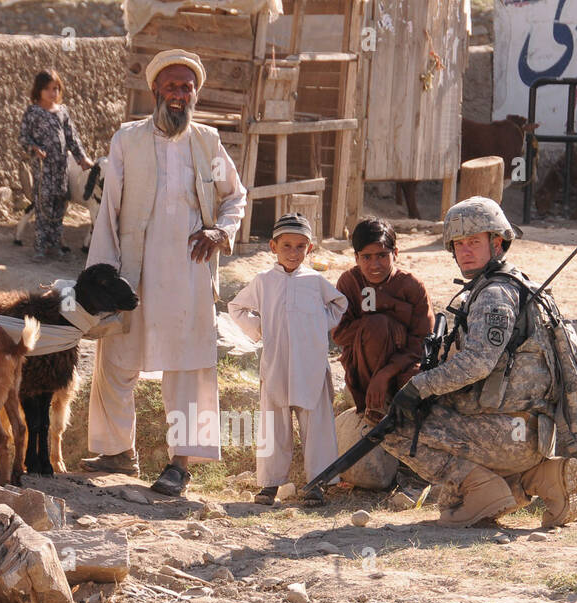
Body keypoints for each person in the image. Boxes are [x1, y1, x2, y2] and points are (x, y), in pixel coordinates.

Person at [80, 49, 248, 497]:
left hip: (190, 275)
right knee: (115, 355)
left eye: (187, 87)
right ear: (155, 89)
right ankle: (118, 451)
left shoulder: (208, 142)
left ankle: (180, 463)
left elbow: (236, 197)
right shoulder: (127, 140)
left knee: (188, 364)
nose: (180, 94)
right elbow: (109, 208)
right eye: (172, 86)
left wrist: (220, 231)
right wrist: (101, 274)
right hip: (133, 271)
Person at [380, 197, 577, 528]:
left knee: (394, 427)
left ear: (498, 242)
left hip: (510, 433)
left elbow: (477, 363)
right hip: (527, 432)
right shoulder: (517, 285)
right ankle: (542, 477)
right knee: (449, 505)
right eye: (458, 244)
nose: (465, 251)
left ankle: (485, 490)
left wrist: (418, 388)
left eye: (474, 242)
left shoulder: (494, 295)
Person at [228, 212, 347, 506]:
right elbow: (236, 307)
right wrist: (259, 329)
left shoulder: (315, 281)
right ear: (273, 247)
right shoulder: (263, 281)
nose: (293, 253)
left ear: (310, 249)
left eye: (300, 247)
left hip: (311, 365)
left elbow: (339, 304)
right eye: (287, 246)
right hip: (276, 363)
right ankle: (270, 485)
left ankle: (318, 483)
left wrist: (319, 324)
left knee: (317, 425)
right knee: (273, 424)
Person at [332, 218, 435, 423]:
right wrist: (382, 319)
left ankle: (389, 396)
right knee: (376, 325)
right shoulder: (349, 283)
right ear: (356, 258)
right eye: (366, 257)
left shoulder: (412, 286)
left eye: (382, 255)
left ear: (395, 253)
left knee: (419, 384)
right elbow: (339, 334)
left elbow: (423, 341)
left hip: (403, 363)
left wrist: (385, 374)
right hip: (363, 366)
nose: (374, 265)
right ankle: (376, 404)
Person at [19, 70, 94, 263]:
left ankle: (55, 245)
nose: (52, 93)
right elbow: (23, 138)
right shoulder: (33, 112)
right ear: (39, 90)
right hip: (43, 168)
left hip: (61, 167)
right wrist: (34, 148)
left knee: (59, 204)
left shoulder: (62, 112)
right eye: (47, 89)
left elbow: (72, 137)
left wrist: (82, 158)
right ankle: (40, 248)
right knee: (43, 205)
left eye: (56, 88)